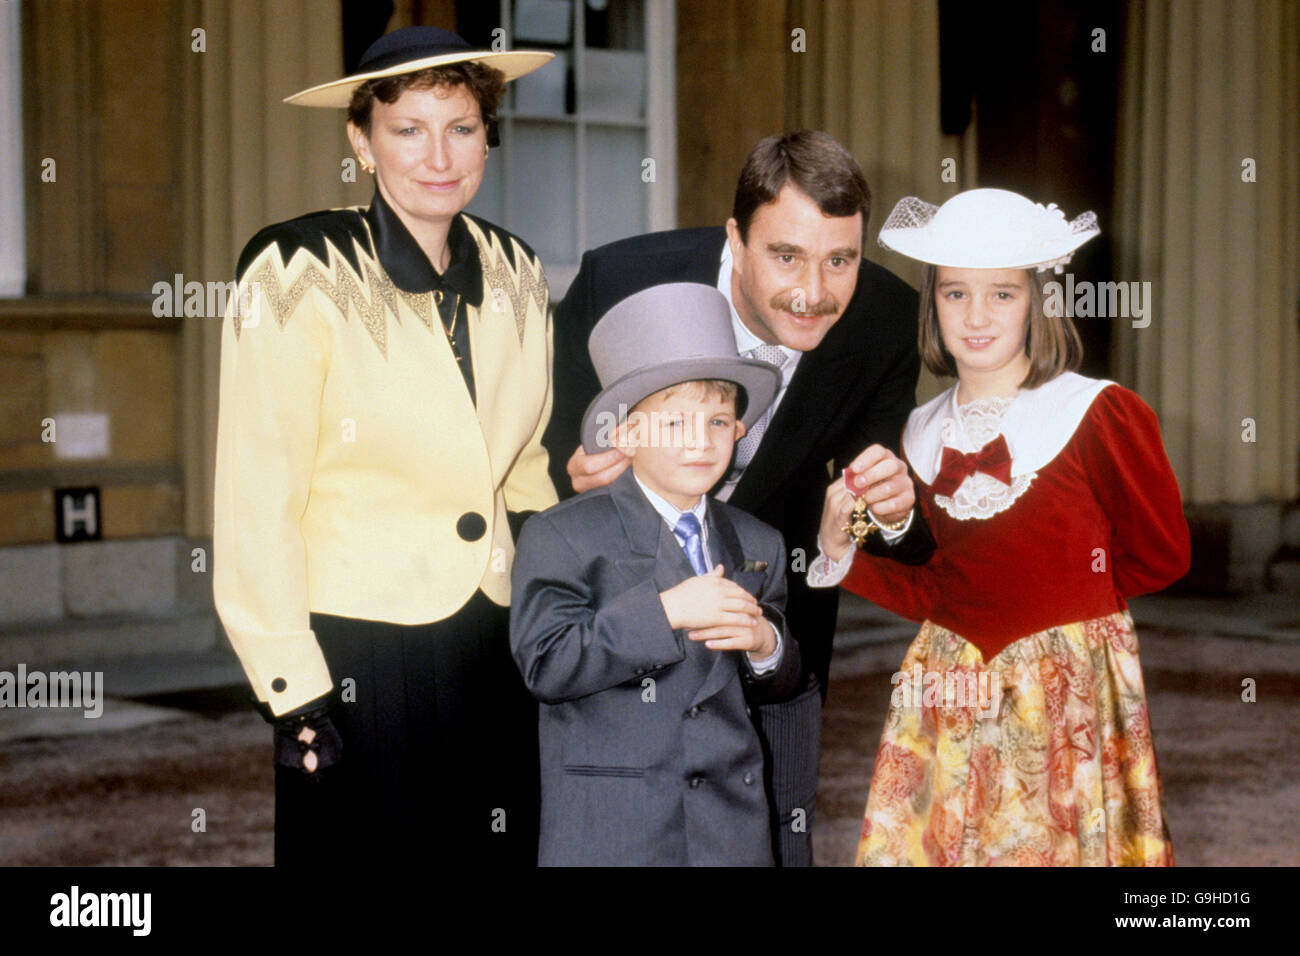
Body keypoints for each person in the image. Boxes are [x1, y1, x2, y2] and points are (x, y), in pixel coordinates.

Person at [212, 27, 557, 867]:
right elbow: (258, 497)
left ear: (487, 135)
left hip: (496, 640)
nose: (439, 155)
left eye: (462, 126)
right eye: (408, 129)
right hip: (359, 653)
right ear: (360, 141)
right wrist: (294, 692)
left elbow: (529, 473)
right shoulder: (296, 267)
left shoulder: (517, 269)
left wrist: (561, 612)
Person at [541, 131, 935, 864]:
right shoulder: (618, 278)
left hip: (770, 650)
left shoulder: (886, 321)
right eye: (786, 255)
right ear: (736, 237)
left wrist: (888, 509)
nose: (814, 292)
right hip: (615, 650)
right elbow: (543, 453)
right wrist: (573, 477)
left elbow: (880, 512)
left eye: (840, 260)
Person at [812, 188, 1191, 865]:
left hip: (1064, 692)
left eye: (1002, 295)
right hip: (949, 688)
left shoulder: (1097, 412)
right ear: (933, 305)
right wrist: (841, 548)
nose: (976, 315)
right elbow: (933, 589)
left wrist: (1074, 618)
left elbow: (1160, 555)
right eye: (955, 294)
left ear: (1038, 302)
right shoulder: (917, 432)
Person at [511, 283, 803, 865]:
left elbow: (781, 686)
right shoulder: (563, 535)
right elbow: (547, 664)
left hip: (730, 831)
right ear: (624, 435)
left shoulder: (757, 541)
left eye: (718, 422)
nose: (700, 443)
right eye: (673, 425)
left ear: (740, 433)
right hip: (616, 830)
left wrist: (768, 644)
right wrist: (665, 611)